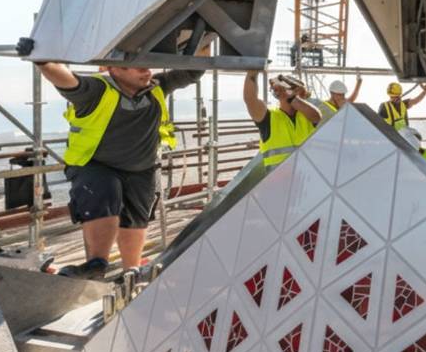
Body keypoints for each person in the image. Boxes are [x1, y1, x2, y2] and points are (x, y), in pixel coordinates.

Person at [16, 37, 203, 279]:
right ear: (113, 69)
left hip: (141, 168)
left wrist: (204, 37)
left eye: (147, 66)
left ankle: (131, 272)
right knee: (104, 192)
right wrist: (42, 61)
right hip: (96, 164)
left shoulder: (157, 87)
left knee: (136, 217)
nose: (146, 71)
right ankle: (96, 263)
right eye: (137, 67)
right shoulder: (96, 89)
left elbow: (194, 70)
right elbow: (66, 80)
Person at [244, 71, 321, 167]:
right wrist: (253, 72)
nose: (303, 96)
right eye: (297, 91)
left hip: (306, 175)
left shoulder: (307, 116)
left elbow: (317, 117)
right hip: (279, 176)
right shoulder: (269, 117)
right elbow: (250, 99)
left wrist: (291, 97)